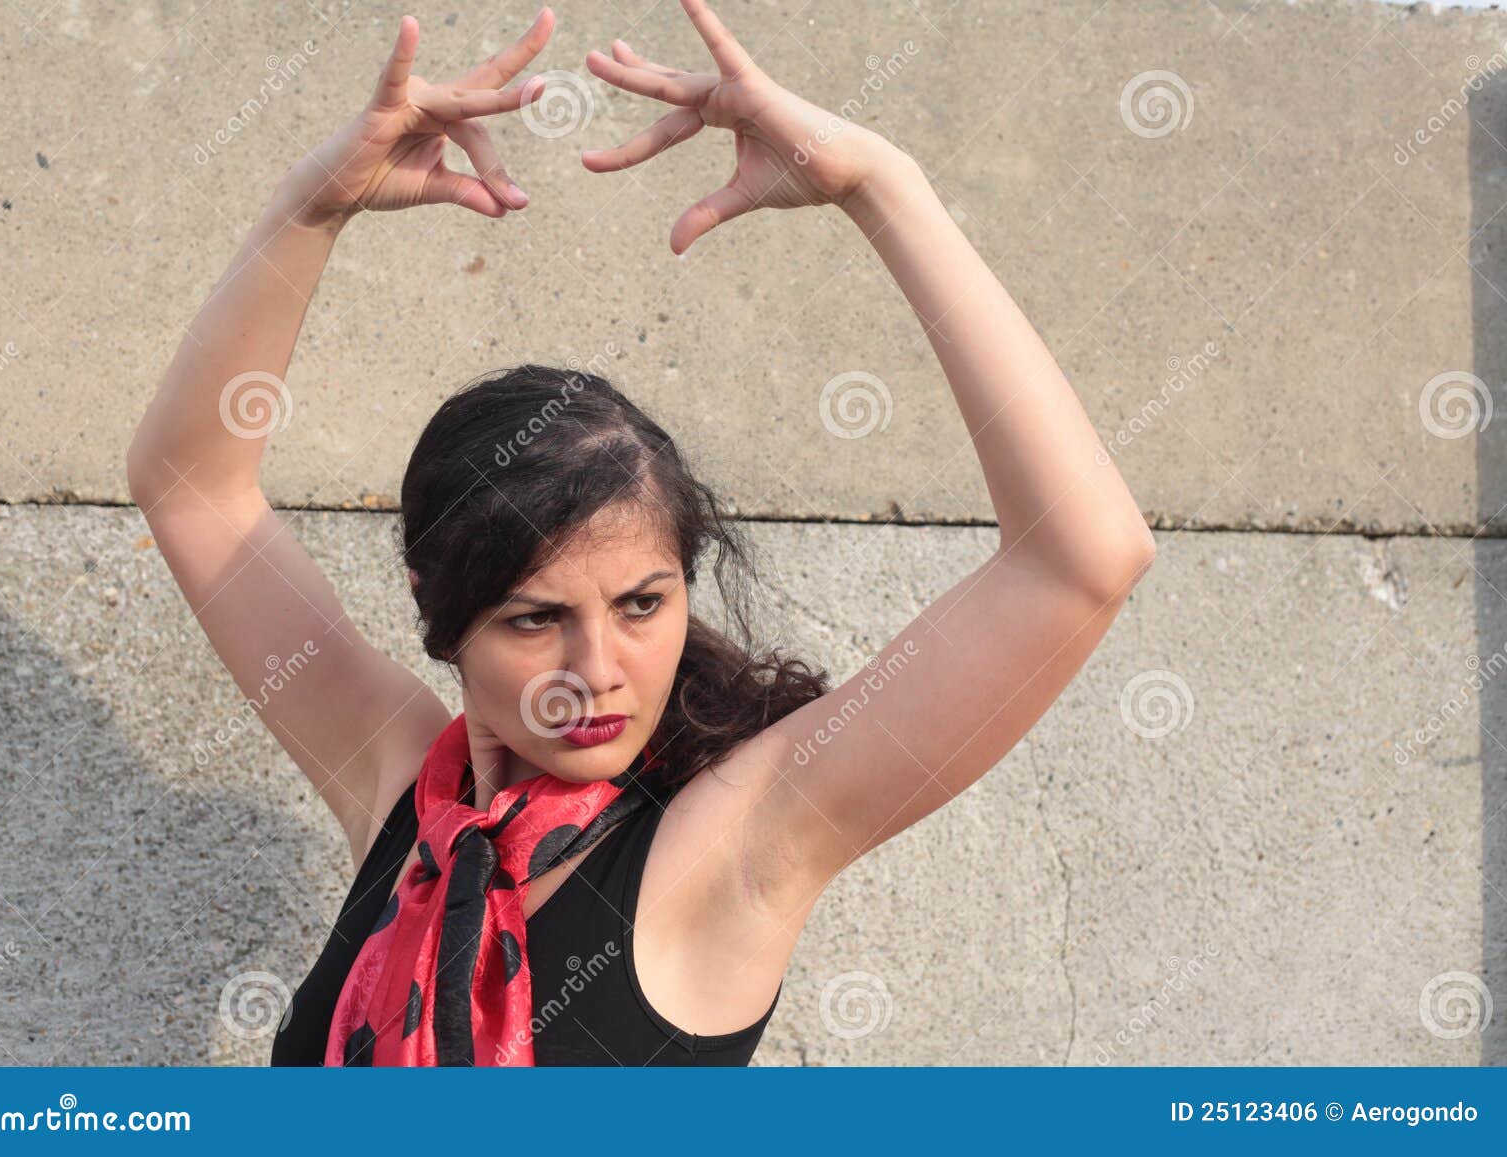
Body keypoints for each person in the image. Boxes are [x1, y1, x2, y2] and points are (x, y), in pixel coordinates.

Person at [125, 1, 1155, 1067]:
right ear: (445, 617)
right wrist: (310, 207)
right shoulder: (400, 789)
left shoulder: (730, 845)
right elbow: (191, 487)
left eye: (640, 604)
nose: (595, 672)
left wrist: (876, 184)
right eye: (535, 618)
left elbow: (1080, 558)